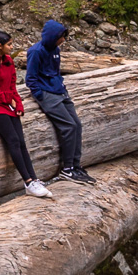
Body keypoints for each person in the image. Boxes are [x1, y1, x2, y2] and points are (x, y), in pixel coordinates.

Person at [0, 29, 52, 198]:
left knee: (21, 142)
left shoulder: (8, 61)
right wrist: (7, 100)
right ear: (0, 46)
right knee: (12, 140)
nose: (12, 47)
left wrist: (17, 103)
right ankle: (28, 181)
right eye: (9, 44)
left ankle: (34, 180)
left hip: (7, 104)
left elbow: (12, 85)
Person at [25, 19, 93, 183]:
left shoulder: (55, 50)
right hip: (47, 93)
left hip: (60, 90)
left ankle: (76, 165)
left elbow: (55, 72)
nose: (63, 40)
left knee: (77, 124)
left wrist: (62, 87)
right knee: (68, 126)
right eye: (60, 37)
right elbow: (30, 78)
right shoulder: (36, 52)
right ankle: (67, 169)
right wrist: (39, 95)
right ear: (52, 37)